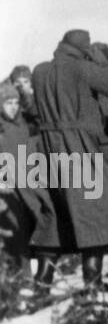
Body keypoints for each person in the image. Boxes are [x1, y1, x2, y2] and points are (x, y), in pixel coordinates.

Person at [27, 30, 108, 287]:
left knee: (58, 213)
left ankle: (42, 283)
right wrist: (102, 62)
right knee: (97, 212)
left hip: (48, 149)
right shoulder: (83, 68)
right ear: (85, 48)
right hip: (78, 148)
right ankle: (93, 286)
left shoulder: (39, 71)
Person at [0, 82, 39, 270]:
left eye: (16, 102)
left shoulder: (23, 124)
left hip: (28, 184)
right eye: (8, 102)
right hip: (7, 188)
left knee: (28, 229)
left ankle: (25, 277)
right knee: (14, 234)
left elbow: (36, 113)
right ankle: (17, 278)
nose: (13, 107)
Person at [8, 65, 39, 131]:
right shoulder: (6, 102)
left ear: (31, 83)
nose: (22, 85)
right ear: (12, 84)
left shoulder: (37, 100)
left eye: (26, 81)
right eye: (17, 82)